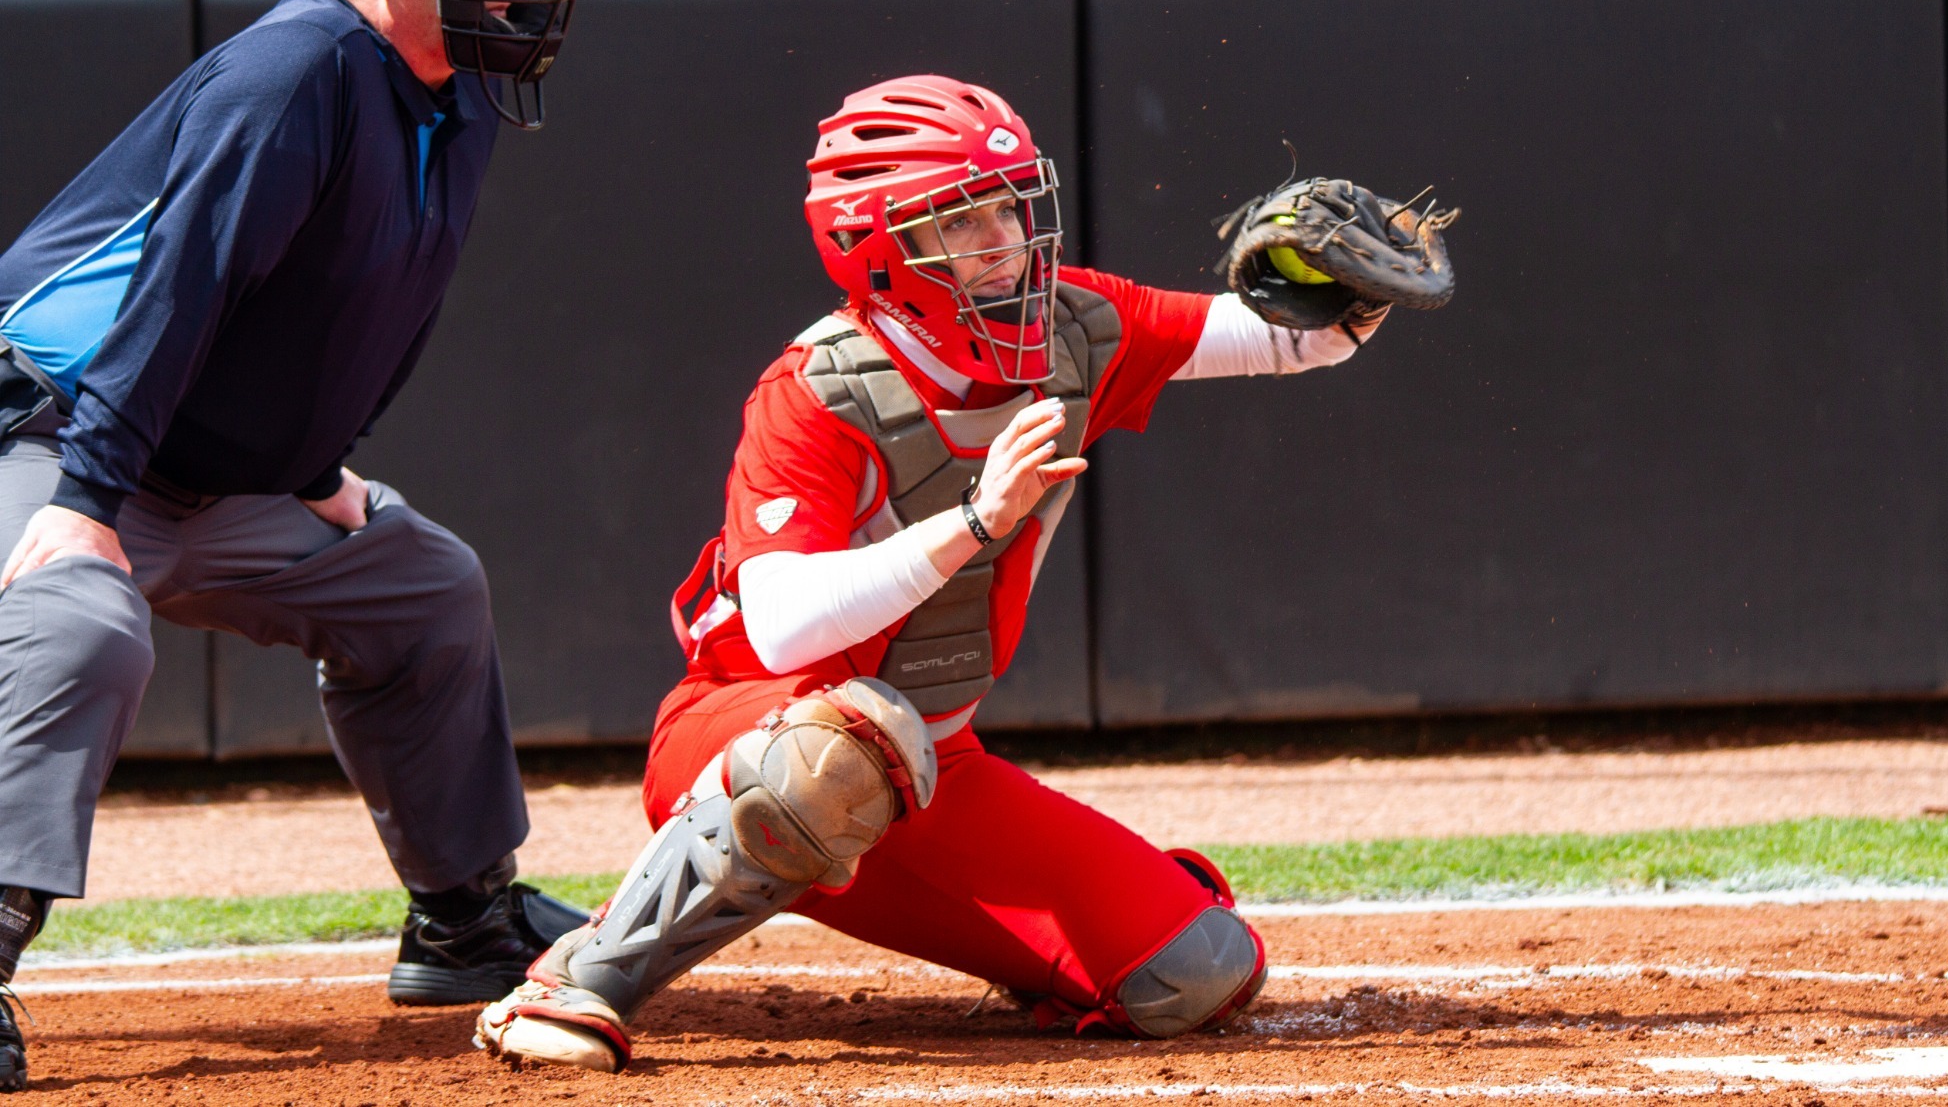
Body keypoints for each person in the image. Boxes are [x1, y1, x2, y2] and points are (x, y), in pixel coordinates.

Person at [472, 74, 1390, 1072]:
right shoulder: (816, 391)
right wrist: (969, 523)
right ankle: (575, 982)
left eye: (1007, 205)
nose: (1003, 239)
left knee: (1195, 972)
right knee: (845, 740)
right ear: (879, 246)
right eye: (961, 220)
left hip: (933, 767)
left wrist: (1352, 294)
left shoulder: (1074, 327)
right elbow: (781, 631)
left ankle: (1033, 948)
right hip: (750, 732)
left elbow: (1283, 339)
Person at [0, 0, 586, 1090]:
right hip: (55, 436)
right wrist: (84, 503)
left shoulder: (456, 93)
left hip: (200, 472)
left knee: (423, 583)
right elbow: (178, 293)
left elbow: (365, 307)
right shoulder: (293, 72)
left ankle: (463, 922)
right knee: (79, 627)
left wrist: (316, 472)